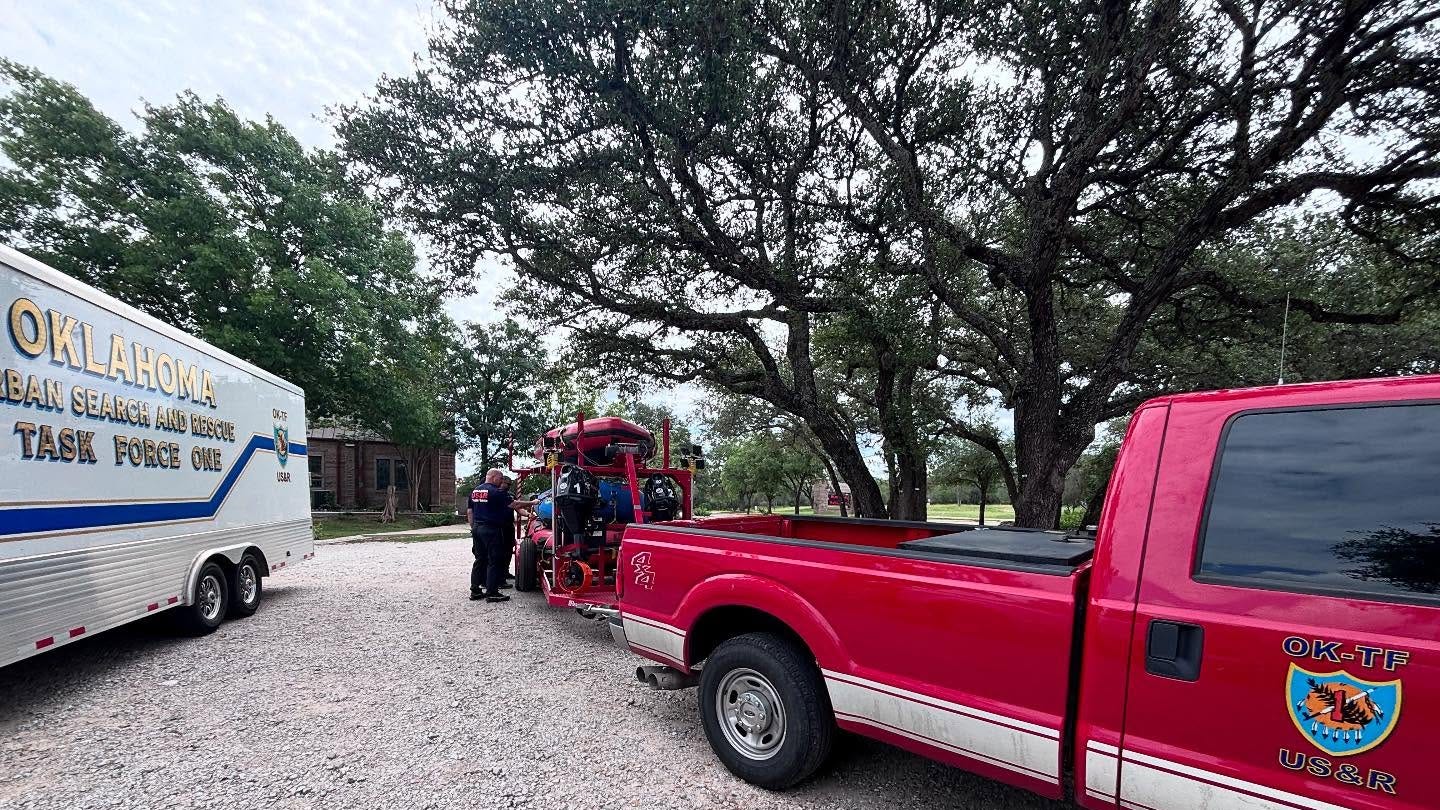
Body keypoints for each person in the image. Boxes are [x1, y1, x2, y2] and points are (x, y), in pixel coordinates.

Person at [467, 469, 537, 602]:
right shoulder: (496, 492)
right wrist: (532, 503)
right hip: (491, 529)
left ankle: (475, 590)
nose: (501, 482)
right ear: (493, 477)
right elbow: (515, 504)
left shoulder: (475, 491)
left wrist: (473, 527)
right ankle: (492, 592)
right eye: (500, 479)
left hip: (477, 528)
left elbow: (470, 511)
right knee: (495, 560)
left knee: (480, 559)